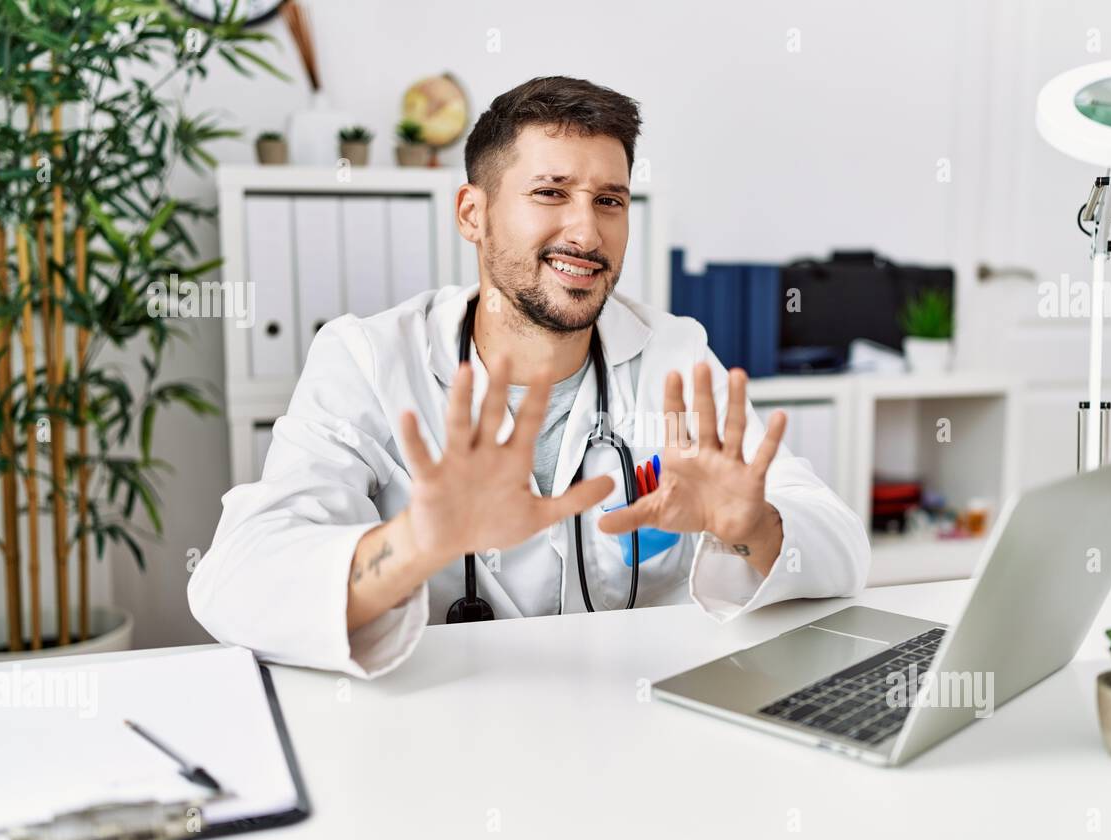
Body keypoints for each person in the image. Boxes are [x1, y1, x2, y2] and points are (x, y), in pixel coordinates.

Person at [188, 76, 870, 678]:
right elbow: (235, 582)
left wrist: (752, 525)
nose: (587, 230)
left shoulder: (674, 354)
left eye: (610, 201)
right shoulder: (368, 358)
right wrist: (418, 542)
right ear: (472, 214)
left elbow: (842, 551)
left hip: (637, 729)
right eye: (551, 192)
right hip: (439, 744)